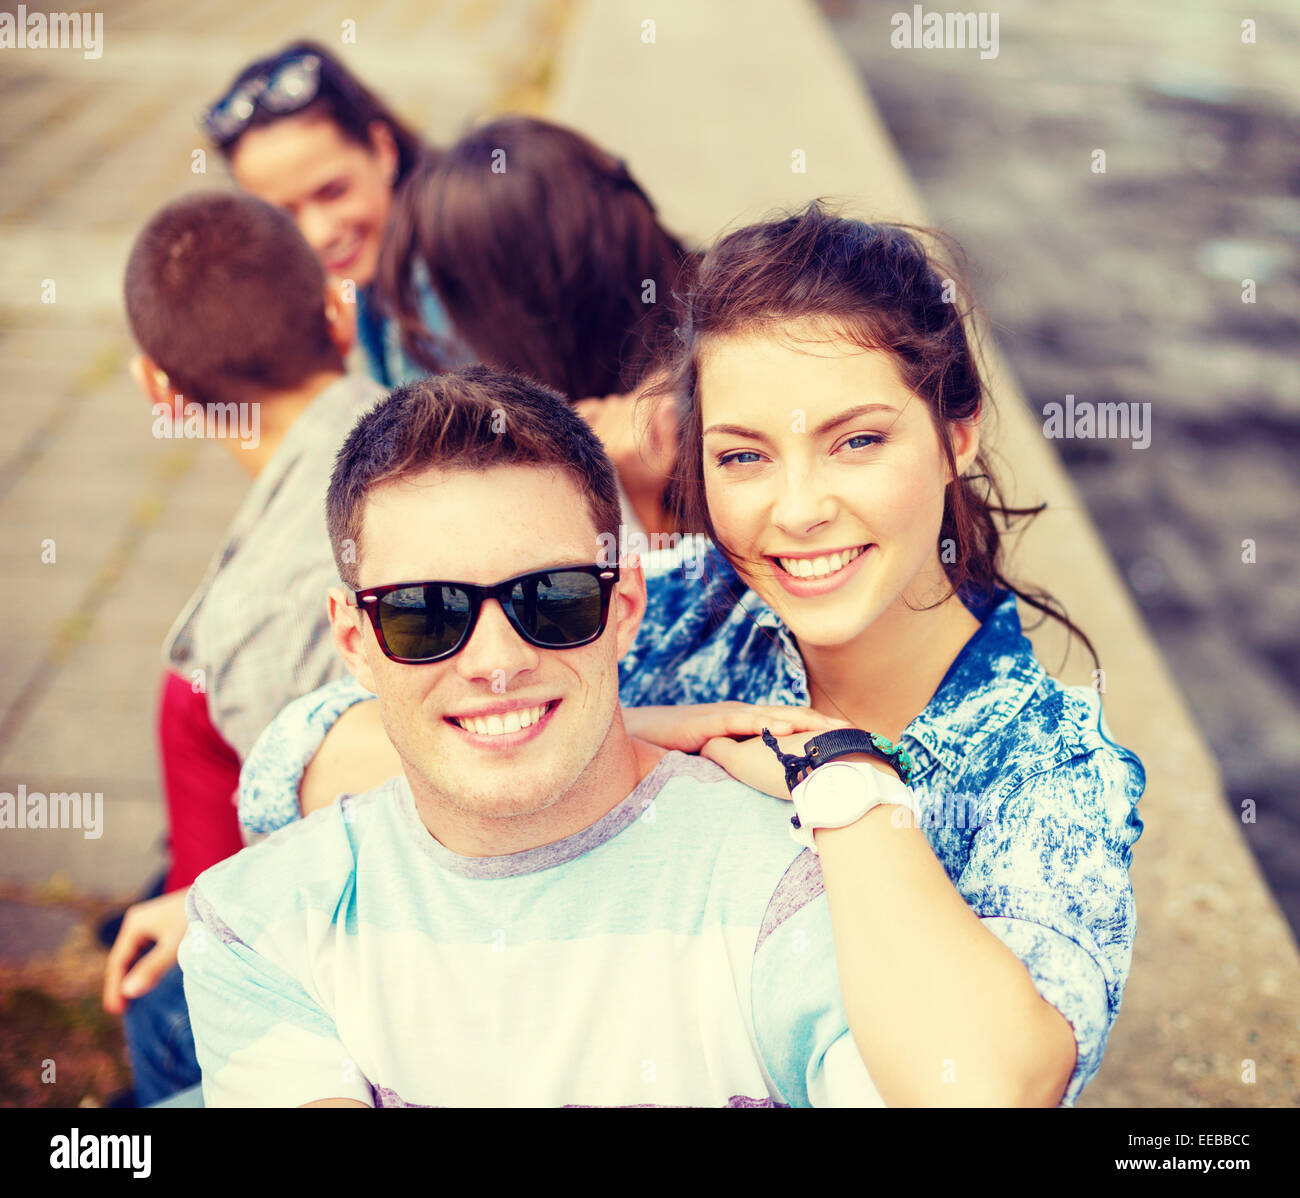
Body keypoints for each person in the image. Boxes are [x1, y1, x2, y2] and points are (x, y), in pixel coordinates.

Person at [238, 202, 1145, 1105]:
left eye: (857, 442)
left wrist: (842, 785)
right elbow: (294, 760)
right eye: (745, 458)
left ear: (957, 433)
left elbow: (988, 1092)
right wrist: (637, 733)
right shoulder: (679, 607)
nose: (797, 510)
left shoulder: (1044, 766)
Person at [179, 367, 890, 1107]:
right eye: (426, 614)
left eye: (552, 598)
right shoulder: (254, 922)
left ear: (625, 607)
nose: (496, 664)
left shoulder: (792, 896)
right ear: (353, 640)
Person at [105, 191, 386, 1105]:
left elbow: (352, 858)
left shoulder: (266, 611)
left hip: (279, 968)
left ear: (160, 391)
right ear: (337, 315)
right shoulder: (415, 423)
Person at [377, 114, 696, 535]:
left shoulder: (697, 425)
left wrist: (641, 513)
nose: (433, 332)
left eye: (450, 293)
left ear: (535, 301)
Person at [201, 39, 456, 387]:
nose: (318, 234)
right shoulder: (375, 265)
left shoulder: (451, 274)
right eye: (283, 217)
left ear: (382, 150)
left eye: (334, 191)